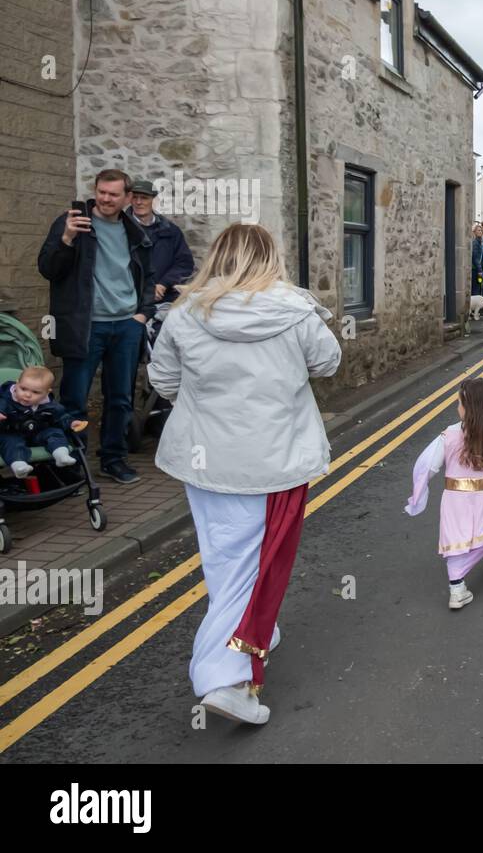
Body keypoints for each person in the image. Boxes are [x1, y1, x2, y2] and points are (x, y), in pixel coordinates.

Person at [147, 223, 341, 725]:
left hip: (204, 458)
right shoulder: (294, 311)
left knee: (224, 556)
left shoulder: (186, 312)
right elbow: (327, 363)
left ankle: (255, 629)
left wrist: (204, 407)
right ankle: (222, 677)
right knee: (246, 565)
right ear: (270, 257)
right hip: (272, 460)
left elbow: (164, 378)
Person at [38, 168, 156, 486]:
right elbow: (48, 268)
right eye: (101, 191)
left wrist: (143, 313)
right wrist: (66, 239)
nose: (105, 198)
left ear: (128, 198)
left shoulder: (134, 230)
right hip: (85, 325)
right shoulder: (73, 222)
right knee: (74, 398)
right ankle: (72, 467)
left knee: (120, 398)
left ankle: (113, 459)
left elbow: (147, 274)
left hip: (127, 325)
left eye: (113, 194)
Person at [404, 379, 483, 609]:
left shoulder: (448, 435)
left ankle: (457, 589)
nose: (456, 407)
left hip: (454, 499)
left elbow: (427, 465)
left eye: (459, 403)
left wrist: (418, 491)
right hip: (481, 497)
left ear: (470, 409)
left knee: (456, 539)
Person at [0, 365, 78, 476]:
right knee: (11, 442)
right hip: (12, 432)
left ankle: (61, 455)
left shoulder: (49, 405)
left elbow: (61, 416)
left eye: (35, 392)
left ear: (46, 393)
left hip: (38, 432)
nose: (27, 395)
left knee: (54, 433)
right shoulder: (6, 400)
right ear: (17, 384)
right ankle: (19, 465)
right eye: (23, 389)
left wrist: (71, 423)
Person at [130, 179, 194, 306]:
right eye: (135, 197)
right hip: (130, 301)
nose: (138, 202)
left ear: (154, 200)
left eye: (144, 198)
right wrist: (145, 289)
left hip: (164, 299)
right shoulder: (121, 228)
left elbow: (184, 263)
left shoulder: (171, 230)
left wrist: (163, 284)